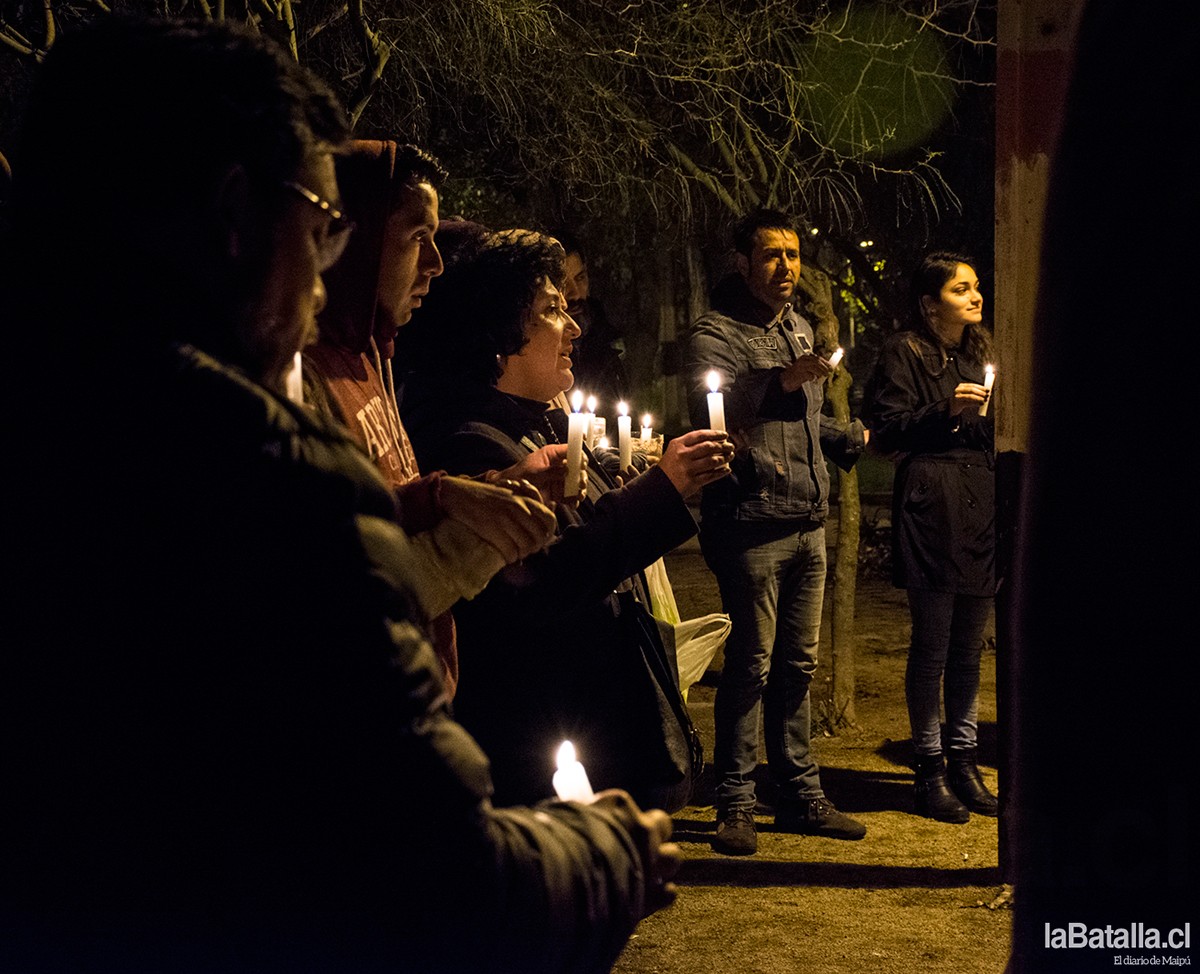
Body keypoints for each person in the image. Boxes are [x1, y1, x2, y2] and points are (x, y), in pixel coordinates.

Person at [0, 18, 680, 973]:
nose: (324, 285)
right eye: (322, 229)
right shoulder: (264, 483)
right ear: (238, 216)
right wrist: (610, 855)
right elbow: (432, 878)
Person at [399, 228, 734, 812]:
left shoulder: (543, 425)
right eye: (551, 310)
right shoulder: (469, 444)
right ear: (498, 333)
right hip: (537, 747)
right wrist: (664, 489)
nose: (574, 327)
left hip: (584, 723)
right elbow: (542, 580)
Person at [304, 141, 562, 696]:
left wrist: (486, 490)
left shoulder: (372, 352)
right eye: (418, 237)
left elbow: (386, 496)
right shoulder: (304, 377)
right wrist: (489, 534)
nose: (436, 264)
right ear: (358, 238)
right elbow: (343, 573)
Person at [684, 208, 867, 856]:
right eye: (771, 255)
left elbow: (803, 421)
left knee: (797, 665)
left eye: (792, 254)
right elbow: (717, 405)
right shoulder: (717, 333)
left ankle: (799, 793)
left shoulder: (798, 327)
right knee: (753, 665)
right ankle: (734, 800)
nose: (786, 267)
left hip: (807, 523)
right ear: (743, 262)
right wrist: (781, 379)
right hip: (751, 525)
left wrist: (844, 438)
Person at [865, 251, 998, 823]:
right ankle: (929, 765)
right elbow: (886, 427)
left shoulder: (982, 350)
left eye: (976, 288)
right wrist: (945, 408)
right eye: (960, 290)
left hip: (981, 501)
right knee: (933, 644)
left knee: (970, 646)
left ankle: (965, 759)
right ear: (928, 303)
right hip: (932, 502)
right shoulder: (904, 351)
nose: (975, 297)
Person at [557, 231, 630, 422]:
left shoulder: (606, 340)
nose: (575, 294)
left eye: (580, 278)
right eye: (563, 284)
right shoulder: (545, 355)